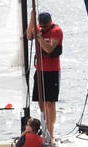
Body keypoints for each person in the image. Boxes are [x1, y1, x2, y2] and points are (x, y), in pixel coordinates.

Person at [27, 10, 63, 140]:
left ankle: (50, 134)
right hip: (40, 70)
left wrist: (39, 36)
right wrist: (32, 20)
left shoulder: (56, 31)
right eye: (41, 26)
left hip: (52, 71)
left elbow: (48, 49)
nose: (43, 29)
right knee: (41, 102)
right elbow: (28, 37)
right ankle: (44, 128)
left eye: (45, 27)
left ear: (50, 23)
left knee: (50, 103)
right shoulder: (37, 28)